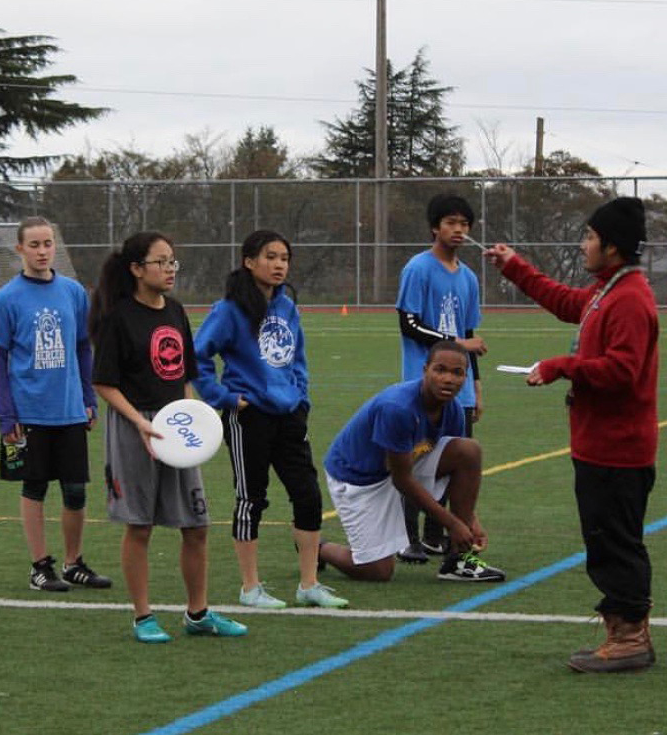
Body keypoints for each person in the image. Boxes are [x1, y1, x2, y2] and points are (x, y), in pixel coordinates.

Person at [484, 197, 658, 673]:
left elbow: (622, 371)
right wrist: (516, 268)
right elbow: (566, 302)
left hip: (618, 449)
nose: (584, 245)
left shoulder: (629, 298)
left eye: (589, 237)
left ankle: (630, 637)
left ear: (613, 246)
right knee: (604, 539)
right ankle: (624, 629)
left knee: (616, 543)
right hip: (598, 444)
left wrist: (561, 367)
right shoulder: (608, 291)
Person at [89, 231, 247, 643]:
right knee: (139, 526)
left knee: (196, 525)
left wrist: (190, 420)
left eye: (173, 261)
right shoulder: (118, 317)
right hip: (134, 427)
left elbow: (185, 377)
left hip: (176, 426)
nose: (170, 269)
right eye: (161, 262)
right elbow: (104, 383)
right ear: (137, 269)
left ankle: (198, 613)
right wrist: (140, 424)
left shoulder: (175, 311)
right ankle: (143, 617)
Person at [193, 229, 348, 610]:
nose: (279, 265)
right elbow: (195, 358)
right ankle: (250, 588)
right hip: (249, 418)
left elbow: (298, 359)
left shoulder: (287, 308)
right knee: (251, 499)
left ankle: (308, 584)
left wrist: (301, 399)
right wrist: (224, 398)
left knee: (308, 496)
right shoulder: (228, 310)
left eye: (284, 258)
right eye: (270, 257)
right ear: (249, 261)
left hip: (289, 415)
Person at [0, 217, 111, 592]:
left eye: (48, 244)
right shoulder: (6, 298)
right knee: (35, 486)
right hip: (29, 413)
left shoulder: (73, 292)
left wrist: (89, 398)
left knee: (75, 489)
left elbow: (83, 349)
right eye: (35, 245)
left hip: (70, 408)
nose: (42, 251)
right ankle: (40, 567)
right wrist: (7, 416)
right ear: (20, 249)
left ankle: (74, 563)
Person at [318, 341, 506, 584]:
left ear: (465, 378)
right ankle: (318, 548)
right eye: (440, 370)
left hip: (404, 462)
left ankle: (458, 561)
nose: (448, 379)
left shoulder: (454, 410)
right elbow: (402, 480)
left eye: (457, 373)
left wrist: (470, 522)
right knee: (377, 572)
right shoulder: (397, 408)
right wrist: (452, 523)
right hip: (360, 477)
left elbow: (454, 472)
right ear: (425, 370)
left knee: (468, 451)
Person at [394, 193, 486, 564]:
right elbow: (409, 322)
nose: (458, 230)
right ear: (435, 227)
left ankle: (439, 535)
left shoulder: (468, 277)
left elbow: (468, 332)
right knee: (415, 461)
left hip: (458, 394)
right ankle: (406, 537)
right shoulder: (418, 268)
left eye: (464, 224)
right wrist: (458, 343)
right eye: (451, 223)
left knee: (455, 464)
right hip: (424, 389)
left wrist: (476, 388)